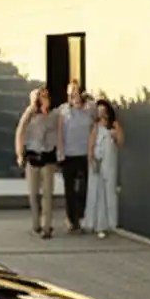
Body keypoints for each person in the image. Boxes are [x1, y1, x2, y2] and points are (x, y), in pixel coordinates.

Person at [15, 87, 60, 239]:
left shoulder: (55, 115)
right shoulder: (30, 115)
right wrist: (20, 154)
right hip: (33, 157)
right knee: (34, 194)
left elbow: (60, 133)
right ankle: (36, 224)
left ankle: (47, 227)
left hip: (48, 157)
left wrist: (60, 152)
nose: (44, 99)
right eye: (41, 97)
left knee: (47, 194)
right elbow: (20, 132)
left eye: (46, 96)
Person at [57, 79, 94, 233]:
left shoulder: (88, 110)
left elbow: (94, 127)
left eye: (76, 91)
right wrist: (60, 152)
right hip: (69, 154)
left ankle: (80, 214)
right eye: (71, 92)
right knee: (69, 189)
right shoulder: (63, 110)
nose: (74, 95)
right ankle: (72, 220)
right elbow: (60, 132)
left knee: (84, 187)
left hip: (85, 153)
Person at [84, 98, 124, 238]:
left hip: (110, 161)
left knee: (109, 191)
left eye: (103, 110)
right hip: (97, 161)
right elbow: (90, 145)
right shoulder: (95, 126)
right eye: (99, 111)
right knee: (97, 191)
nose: (101, 114)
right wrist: (92, 160)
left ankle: (111, 222)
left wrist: (115, 135)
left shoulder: (114, 125)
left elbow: (120, 142)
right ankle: (97, 223)